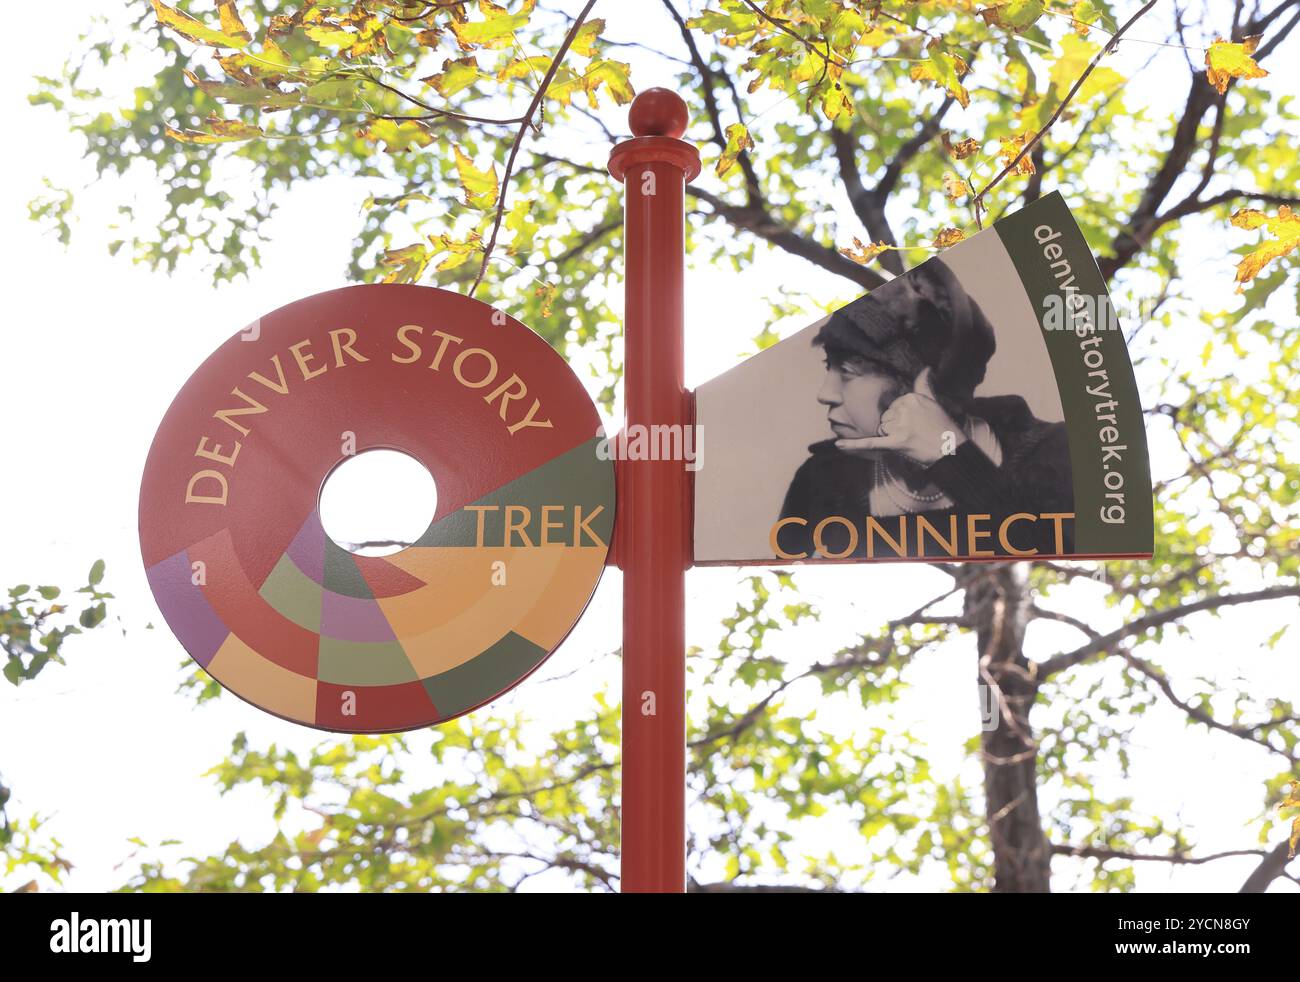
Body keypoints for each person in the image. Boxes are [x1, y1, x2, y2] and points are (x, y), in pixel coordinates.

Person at [776, 257, 1075, 560]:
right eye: (830, 366)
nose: (825, 393)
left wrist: (952, 457)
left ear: (927, 380)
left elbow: (1060, 563)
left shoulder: (1056, 453)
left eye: (850, 372)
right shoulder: (821, 477)